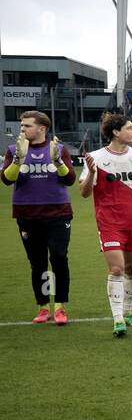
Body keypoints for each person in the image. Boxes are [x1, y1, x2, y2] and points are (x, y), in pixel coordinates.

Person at [79, 113, 132, 336]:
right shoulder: (96, 157)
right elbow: (84, 193)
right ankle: (117, 320)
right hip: (109, 223)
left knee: (131, 268)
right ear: (116, 132)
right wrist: (92, 174)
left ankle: (128, 312)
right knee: (116, 268)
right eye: (130, 127)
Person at [3, 111, 76, 324]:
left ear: (41, 128)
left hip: (58, 213)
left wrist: (57, 161)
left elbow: (70, 179)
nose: (22, 129)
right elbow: (7, 180)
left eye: (27, 126)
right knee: (38, 263)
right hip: (27, 214)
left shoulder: (59, 149)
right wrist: (19, 158)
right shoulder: (13, 150)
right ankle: (43, 306)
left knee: (59, 258)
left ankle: (61, 307)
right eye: (22, 125)